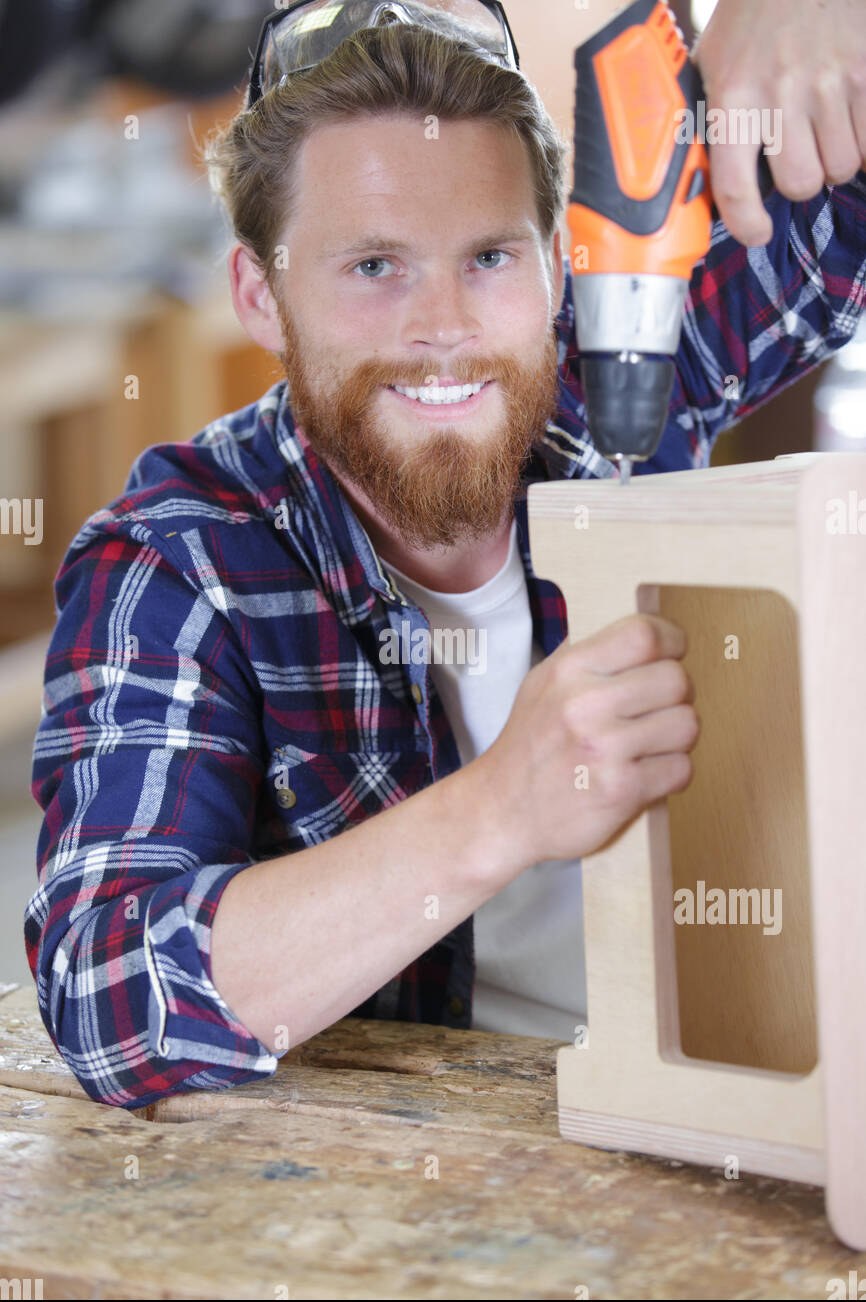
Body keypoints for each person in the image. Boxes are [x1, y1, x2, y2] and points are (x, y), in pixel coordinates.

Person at [25, 0, 866, 1109]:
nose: (444, 327)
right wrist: (503, 807)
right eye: (374, 265)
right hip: (428, 1181)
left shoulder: (634, 360)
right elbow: (108, 994)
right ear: (258, 298)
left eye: (486, 258)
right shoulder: (186, 559)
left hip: (723, 1116)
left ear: (559, 269)